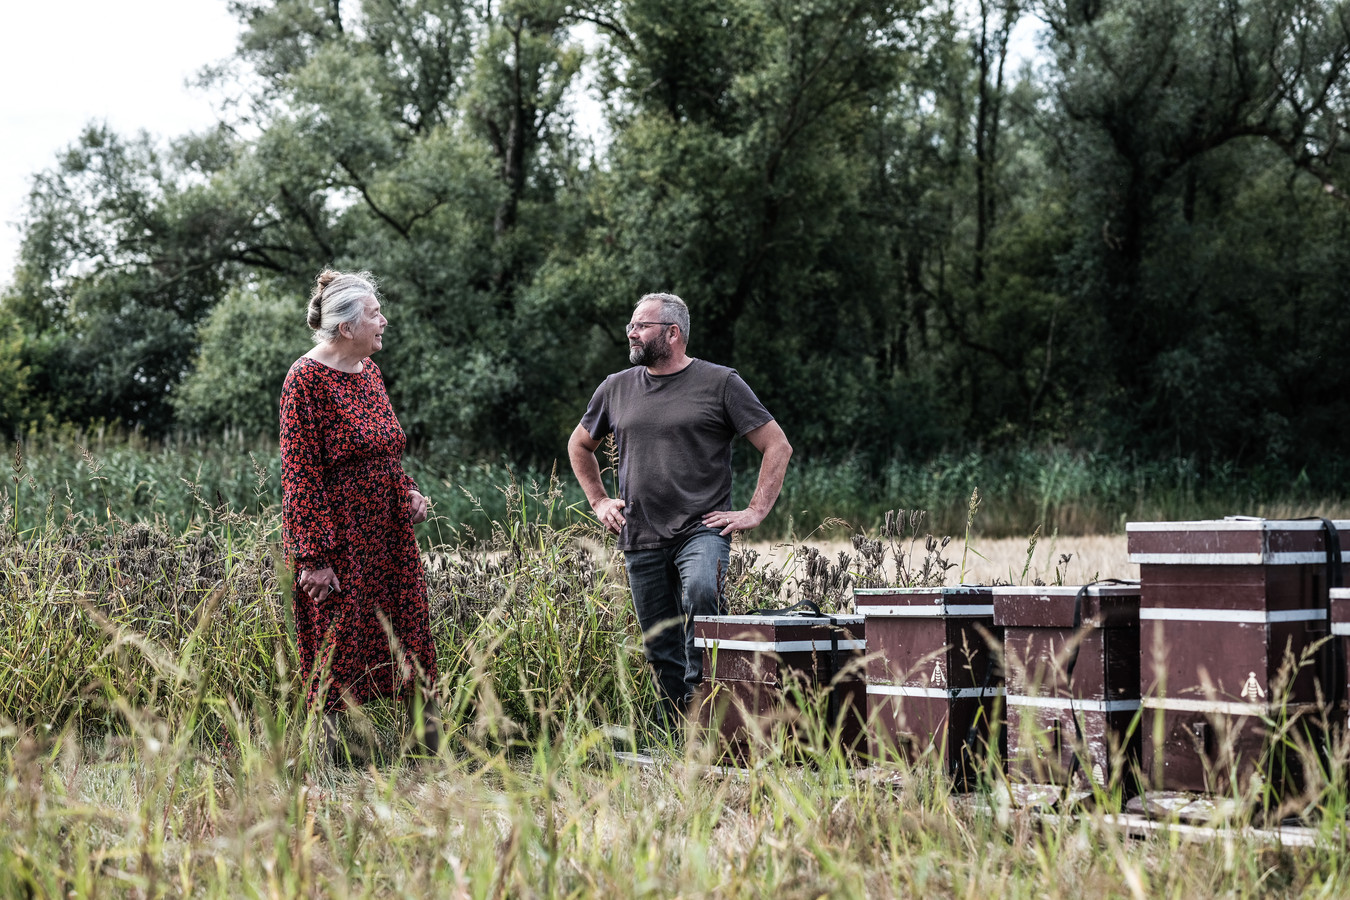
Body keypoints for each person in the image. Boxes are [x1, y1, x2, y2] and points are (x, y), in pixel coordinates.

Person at [568, 292, 793, 729]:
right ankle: (673, 730)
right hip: (640, 533)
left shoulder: (720, 382)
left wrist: (754, 511)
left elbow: (776, 445)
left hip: (702, 529)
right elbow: (579, 445)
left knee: (702, 595)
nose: (631, 333)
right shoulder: (616, 387)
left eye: (641, 326)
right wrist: (598, 500)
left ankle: (707, 709)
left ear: (673, 333)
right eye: (630, 325)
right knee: (659, 642)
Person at [279, 269, 440, 758]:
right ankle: (335, 759)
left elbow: (385, 449)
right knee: (337, 643)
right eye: (374, 314)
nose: (383, 321)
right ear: (346, 328)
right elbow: (299, 475)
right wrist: (312, 559)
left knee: (411, 635)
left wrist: (408, 491)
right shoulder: (304, 380)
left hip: (388, 534)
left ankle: (427, 751)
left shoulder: (369, 372)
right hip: (338, 539)